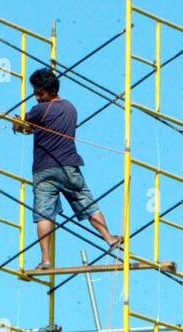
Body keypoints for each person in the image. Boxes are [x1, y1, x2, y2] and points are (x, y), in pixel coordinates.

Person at [15, 67, 121, 270]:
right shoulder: (71, 108)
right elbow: (46, 128)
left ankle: (46, 259)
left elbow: (24, 126)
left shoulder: (39, 110)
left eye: (39, 93)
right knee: (87, 203)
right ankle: (108, 238)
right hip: (69, 166)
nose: (37, 97)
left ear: (48, 91)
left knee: (44, 213)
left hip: (44, 170)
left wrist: (16, 124)